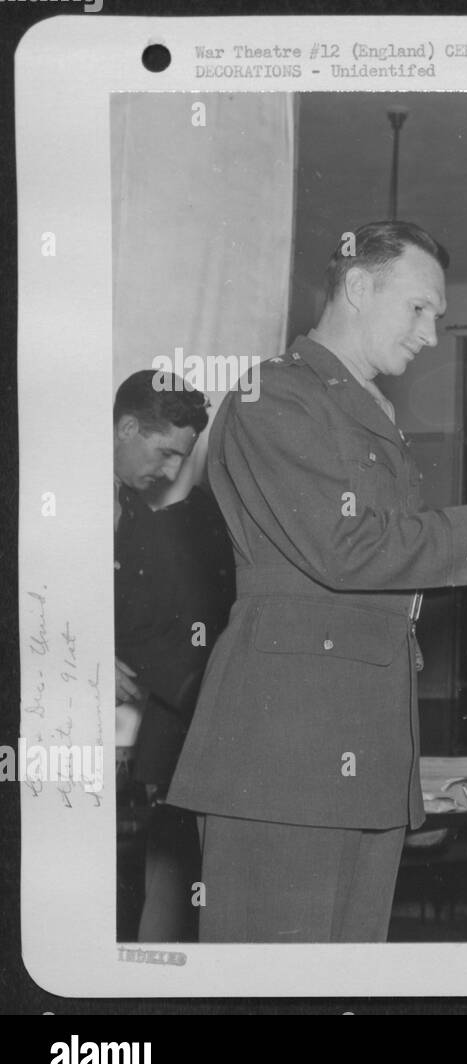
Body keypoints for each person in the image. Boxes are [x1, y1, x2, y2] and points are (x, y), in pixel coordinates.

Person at [168, 221, 467, 942]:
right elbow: (343, 547)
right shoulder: (275, 396)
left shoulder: (356, 409)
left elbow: (387, 558)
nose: (431, 333)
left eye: (439, 317)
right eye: (419, 308)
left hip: (361, 749)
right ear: (356, 286)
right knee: (272, 985)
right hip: (283, 754)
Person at [114, 371, 234, 941]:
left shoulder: (140, 515)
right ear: (127, 427)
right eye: (163, 452)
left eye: (178, 459)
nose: (166, 471)